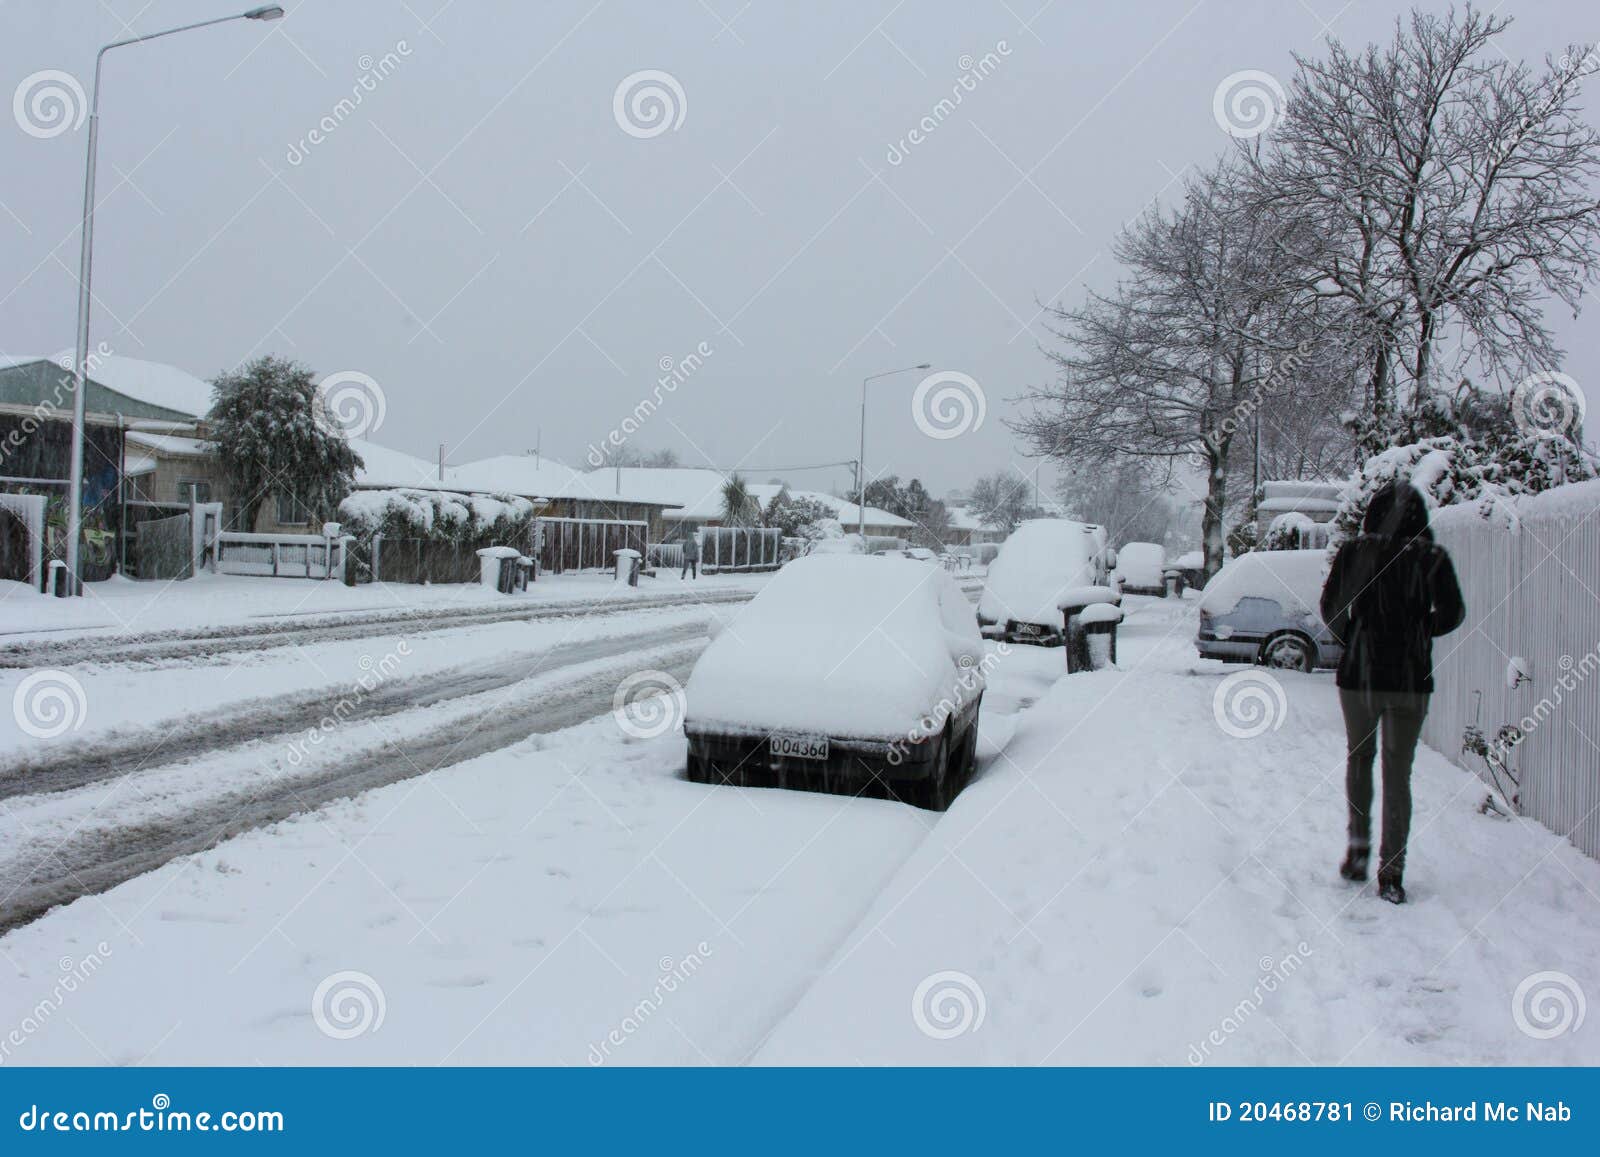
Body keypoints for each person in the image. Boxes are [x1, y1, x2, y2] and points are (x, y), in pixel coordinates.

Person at [1320, 481, 1465, 905]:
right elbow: (1453, 613)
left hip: (1360, 679)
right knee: (1399, 773)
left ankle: (1359, 851)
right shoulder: (1432, 558)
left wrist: (1356, 637)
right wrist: (1420, 632)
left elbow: (1331, 607)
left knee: (1360, 759)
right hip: (1410, 680)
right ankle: (1393, 871)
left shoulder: (1354, 553)